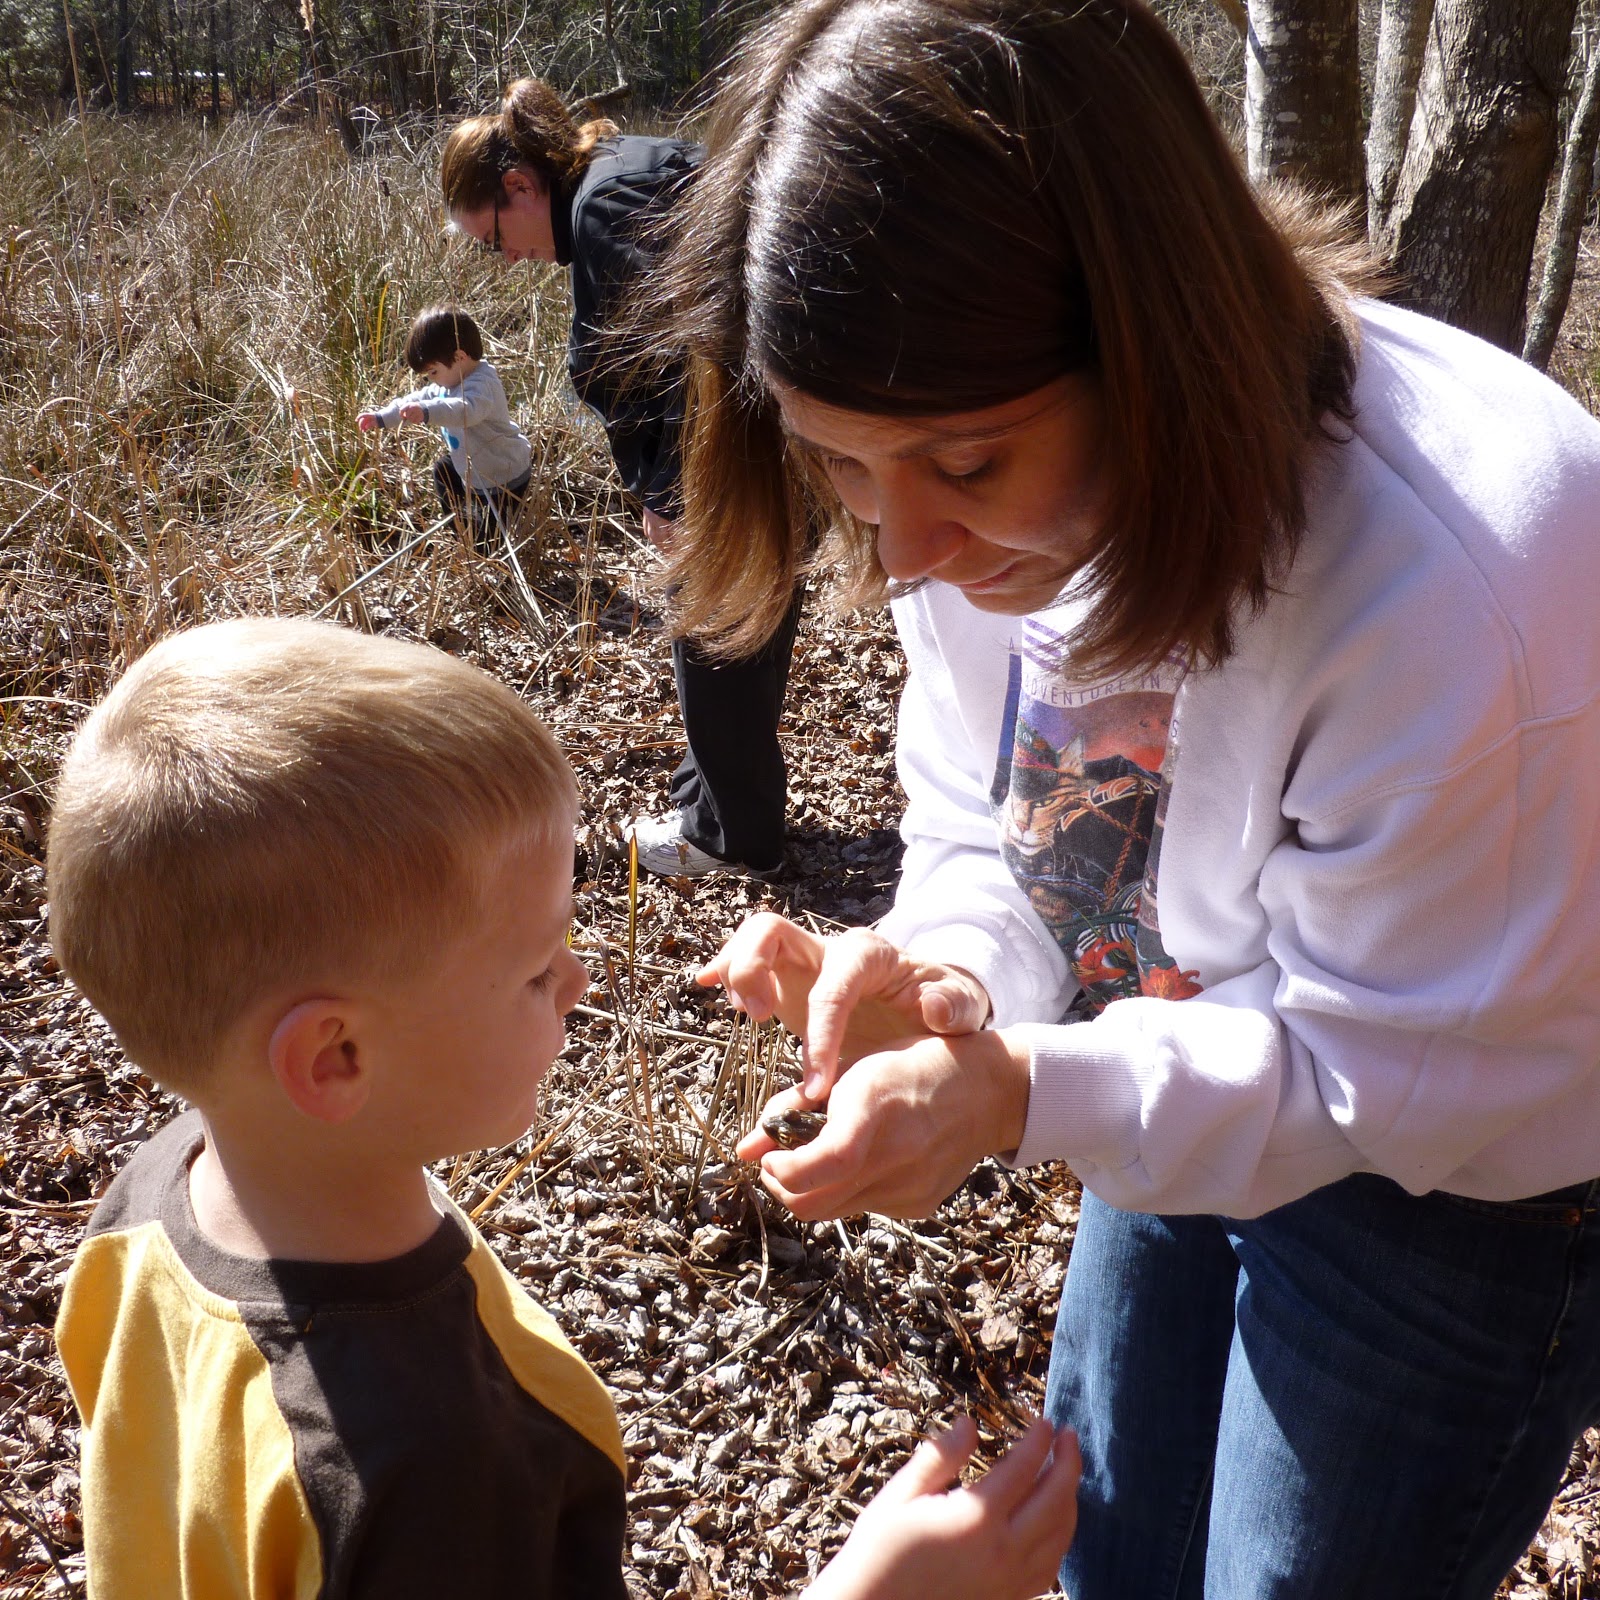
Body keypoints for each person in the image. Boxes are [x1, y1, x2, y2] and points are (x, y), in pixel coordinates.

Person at [647, 1, 1600, 1597]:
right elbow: (986, 809)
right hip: (1170, 1036)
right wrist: (953, 977)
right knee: (1115, 1547)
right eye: (840, 466)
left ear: (1155, 346)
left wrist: (1015, 1094)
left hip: (1456, 1184)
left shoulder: (1461, 584)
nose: (902, 552)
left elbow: (1375, 1077)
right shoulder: (958, 475)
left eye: (963, 467)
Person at [46, 615, 1081, 1600]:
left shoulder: (148, 1208)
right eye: (537, 969)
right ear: (337, 1057)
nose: (580, 981)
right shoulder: (432, 1465)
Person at [439, 77, 801, 879]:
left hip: (730, 451)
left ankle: (730, 837)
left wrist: (672, 494)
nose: (506, 260)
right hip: (763, 432)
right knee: (742, 622)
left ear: (520, 186)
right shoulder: (624, 169)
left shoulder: (607, 205)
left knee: (714, 628)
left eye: (494, 240)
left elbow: (689, 354)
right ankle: (714, 803)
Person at [357, 304, 532, 549]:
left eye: (433, 371)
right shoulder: (448, 383)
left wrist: (427, 412)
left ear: (460, 357)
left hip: (502, 475)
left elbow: (464, 410)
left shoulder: (483, 385)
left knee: (489, 540)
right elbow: (414, 400)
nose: (431, 380)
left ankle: (483, 549)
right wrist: (381, 417)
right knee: (443, 470)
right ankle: (461, 525)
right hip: (475, 466)